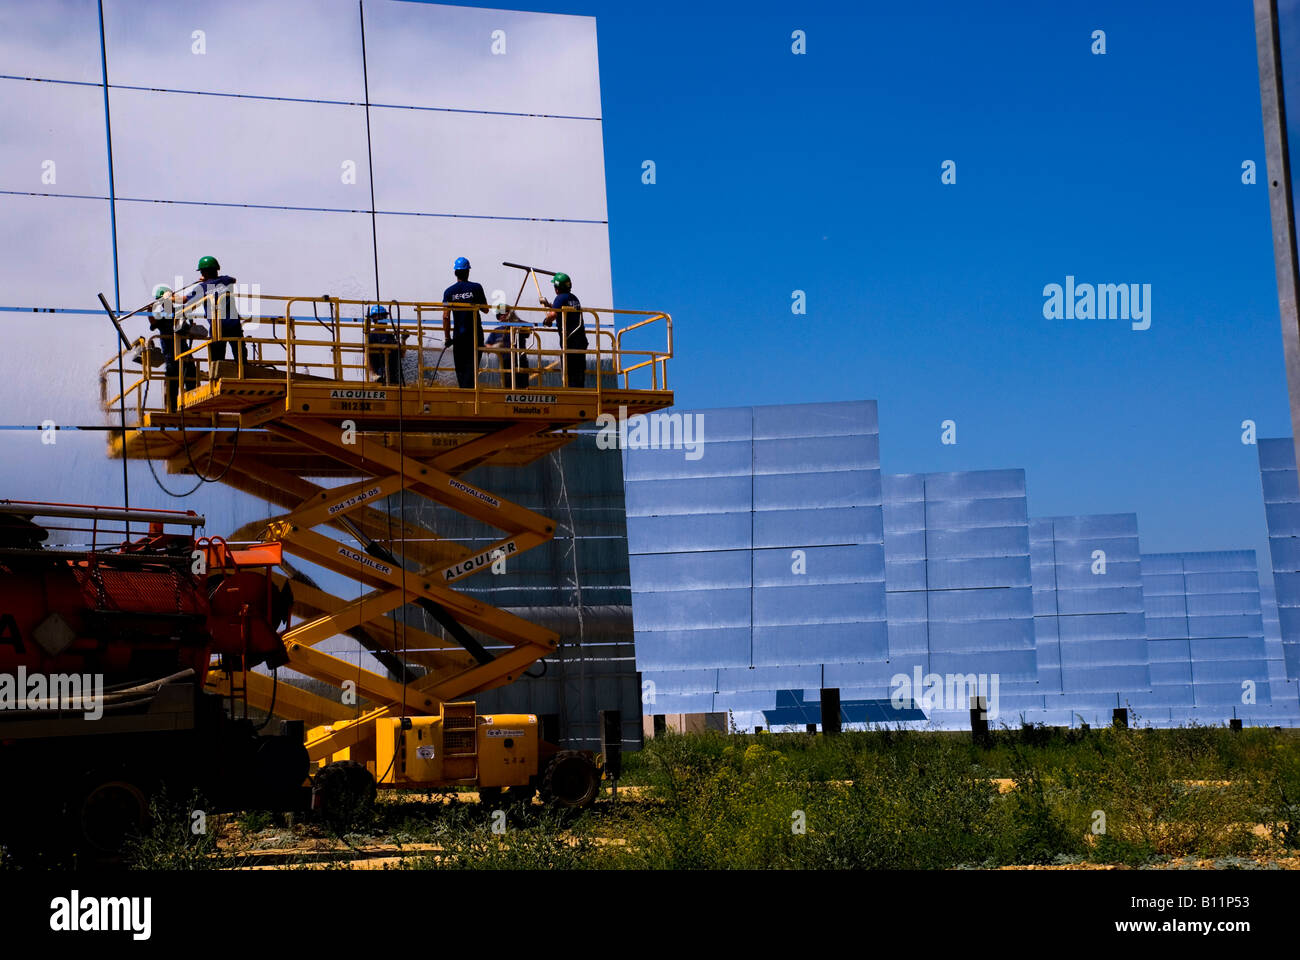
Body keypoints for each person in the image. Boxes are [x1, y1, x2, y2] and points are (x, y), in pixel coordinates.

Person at [182, 255, 245, 371]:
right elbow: (233, 279)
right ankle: (244, 372)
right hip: (233, 324)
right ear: (216, 269)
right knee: (240, 353)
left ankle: (218, 375)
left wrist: (168, 297)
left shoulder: (203, 287)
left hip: (218, 326)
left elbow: (184, 300)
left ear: (203, 272)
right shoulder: (225, 280)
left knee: (217, 356)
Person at [441, 256, 488, 388]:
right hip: (475, 336)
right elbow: (485, 310)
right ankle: (471, 397)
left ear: (455, 272)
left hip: (459, 337)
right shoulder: (476, 288)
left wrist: (447, 337)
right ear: (468, 271)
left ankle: (465, 395)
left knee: (461, 371)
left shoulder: (449, 292)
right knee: (472, 370)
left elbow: (445, 316)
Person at [149, 283, 198, 412]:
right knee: (172, 380)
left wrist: (192, 323)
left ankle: (192, 405)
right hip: (171, 354)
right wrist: (149, 312)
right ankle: (171, 409)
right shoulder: (160, 315)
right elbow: (153, 323)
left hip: (184, 351)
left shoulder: (178, 312)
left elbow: (187, 321)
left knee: (191, 375)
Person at [540, 272, 587, 388]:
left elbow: (553, 315)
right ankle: (579, 392)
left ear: (556, 288)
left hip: (569, 341)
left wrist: (546, 321)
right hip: (580, 340)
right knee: (579, 372)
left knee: (569, 372)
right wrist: (549, 305)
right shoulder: (574, 298)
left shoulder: (559, 298)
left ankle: (572, 393)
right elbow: (563, 308)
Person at [485, 302, 531, 389]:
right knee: (507, 388)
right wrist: (494, 347)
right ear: (499, 317)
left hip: (520, 362)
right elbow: (487, 345)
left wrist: (516, 320)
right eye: (501, 314)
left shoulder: (518, 327)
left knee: (523, 388)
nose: (504, 315)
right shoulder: (497, 331)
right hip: (505, 364)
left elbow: (530, 329)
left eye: (506, 313)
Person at [365, 305, 404, 385]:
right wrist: (373, 375)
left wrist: (403, 340)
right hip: (381, 378)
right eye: (381, 317)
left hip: (394, 377)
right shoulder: (371, 336)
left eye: (384, 316)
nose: (383, 319)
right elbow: (367, 357)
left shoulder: (390, 335)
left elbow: (401, 354)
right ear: (374, 319)